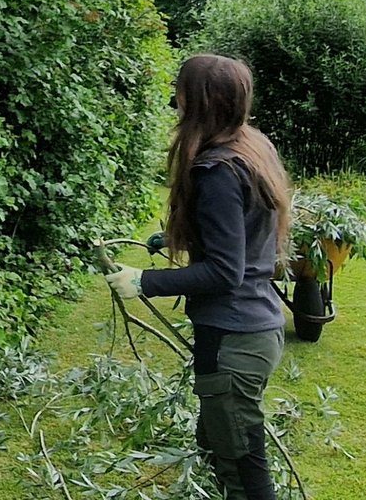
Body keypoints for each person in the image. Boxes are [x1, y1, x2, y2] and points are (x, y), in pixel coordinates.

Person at [104, 54, 290, 500]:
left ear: (199, 100)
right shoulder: (253, 148)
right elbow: (244, 233)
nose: (175, 100)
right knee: (214, 442)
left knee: (243, 470)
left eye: (180, 90)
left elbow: (226, 271)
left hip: (235, 342)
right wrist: (181, 237)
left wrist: (144, 282)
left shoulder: (218, 171)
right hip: (255, 330)